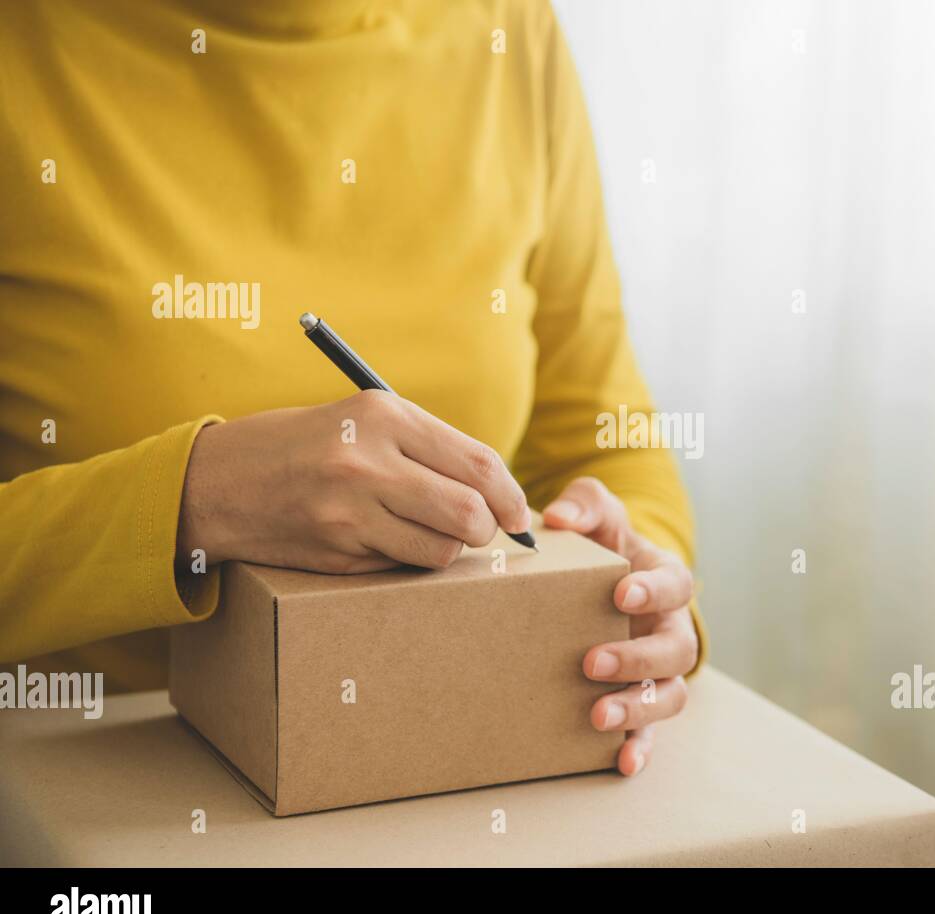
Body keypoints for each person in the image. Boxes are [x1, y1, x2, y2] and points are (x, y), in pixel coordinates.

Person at [0, 0, 705, 777]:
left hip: (445, 756)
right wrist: (192, 499)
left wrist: (643, 583)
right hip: (83, 779)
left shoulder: (510, 29)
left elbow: (600, 433)